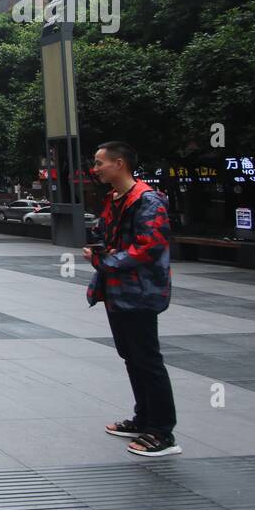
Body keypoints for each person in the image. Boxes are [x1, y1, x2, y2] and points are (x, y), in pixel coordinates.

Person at [84, 141, 180, 458]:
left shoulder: (148, 200)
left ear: (120, 163)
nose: (95, 168)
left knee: (147, 360)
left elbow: (148, 247)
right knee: (132, 356)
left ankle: (162, 432)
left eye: (100, 163)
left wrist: (105, 261)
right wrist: (100, 248)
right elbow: (104, 233)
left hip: (140, 291)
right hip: (117, 290)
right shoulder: (115, 199)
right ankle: (144, 419)